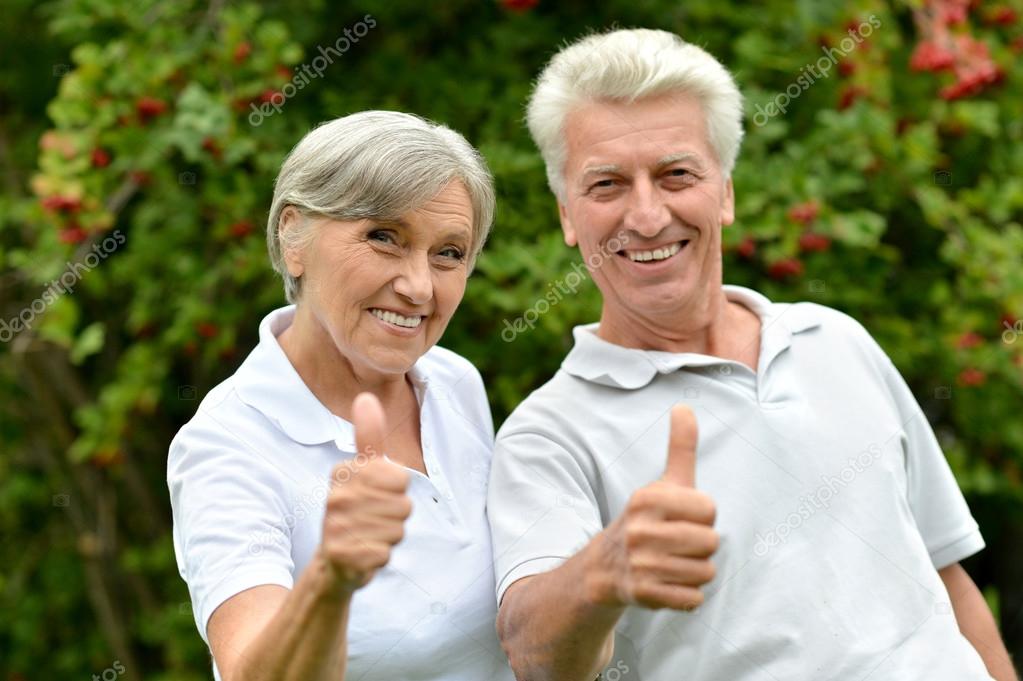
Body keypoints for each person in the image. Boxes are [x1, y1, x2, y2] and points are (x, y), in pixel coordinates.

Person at [487, 28, 1018, 681]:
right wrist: (604, 570)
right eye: (607, 184)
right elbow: (533, 656)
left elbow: (944, 575)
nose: (647, 216)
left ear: (727, 193)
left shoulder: (834, 339)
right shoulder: (546, 437)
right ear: (568, 215)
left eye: (676, 174)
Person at [168, 110, 513, 681]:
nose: (419, 287)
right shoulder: (225, 445)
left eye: (449, 253)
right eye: (384, 237)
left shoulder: (454, 381)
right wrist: (331, 580)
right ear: (293, 237)